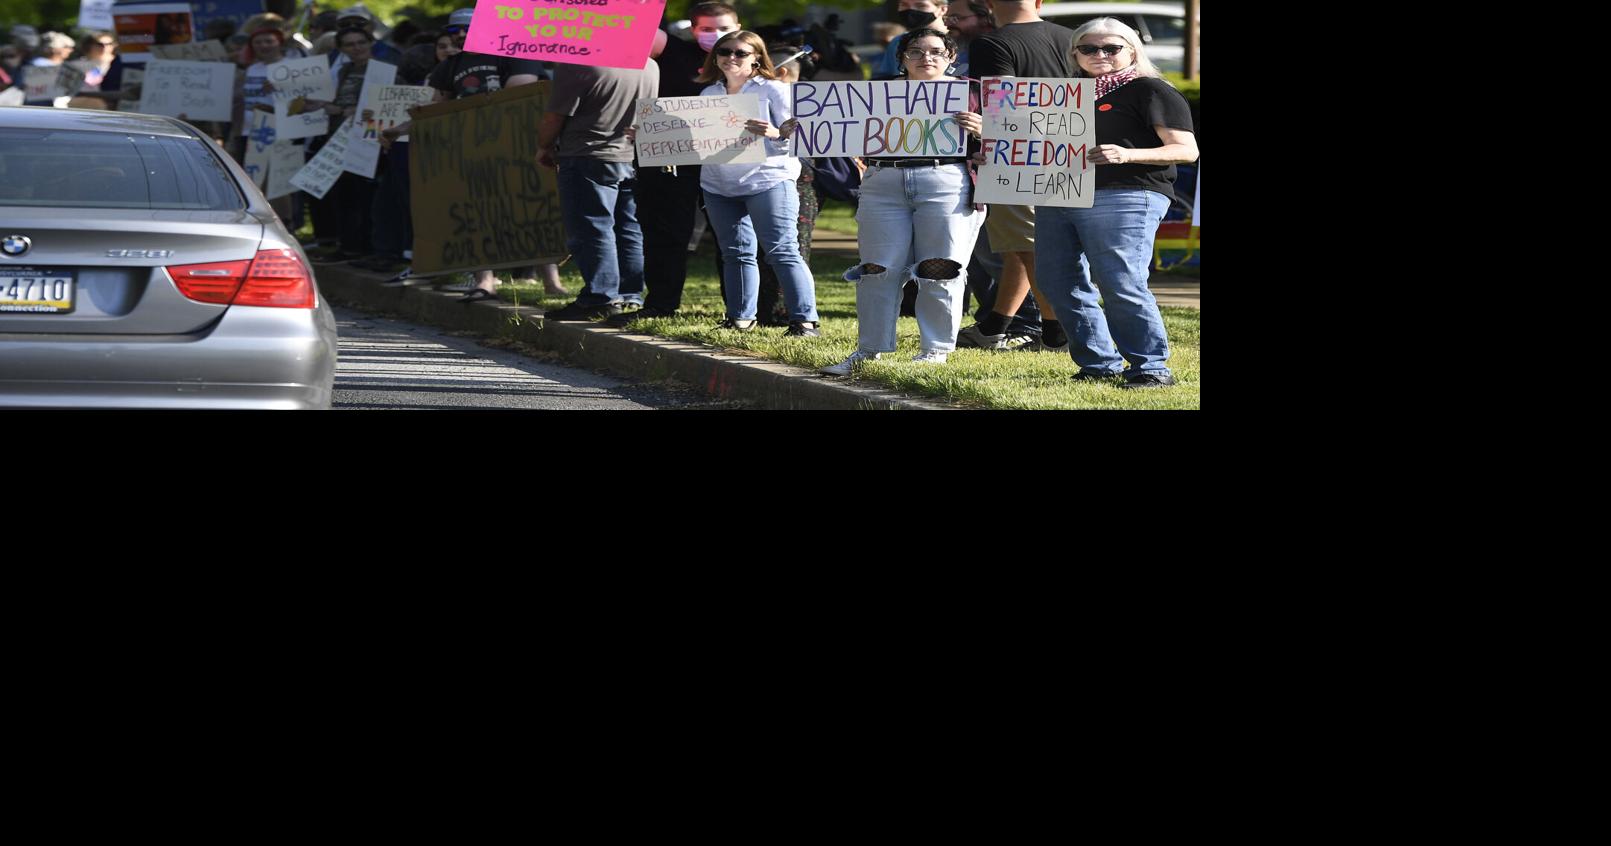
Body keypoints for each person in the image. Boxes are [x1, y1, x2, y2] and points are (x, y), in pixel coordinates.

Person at [1033, 18, 1197, 388]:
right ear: (1074, 54)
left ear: (1133, 50)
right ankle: (1098, 363)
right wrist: (997, 155)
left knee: (1119, 280)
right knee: (1056, 280)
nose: (1100, 55)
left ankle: (1150, 367)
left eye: (1111, 48)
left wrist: (1127, 154)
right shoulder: (1060, 94)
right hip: (1059, 193)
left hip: (1127, 192)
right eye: (1088, 48)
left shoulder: (1150, 90)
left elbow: (1186, 150)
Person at [819, 29, 984, 376]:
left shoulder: (973, 92)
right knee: (876, 269)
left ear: (951, 57)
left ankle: (935, 351)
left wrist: (984, 130)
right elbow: (836, 126)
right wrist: (804, 127)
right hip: (883, 182)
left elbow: (1016, 139)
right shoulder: (878, 95)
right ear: (902, 57)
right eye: (916, 51)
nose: (927, 58)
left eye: (937, 52)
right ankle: (869, 350)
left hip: (946, 181)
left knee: (940, 268)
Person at [605, 2, 744, 327]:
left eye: (723, 27)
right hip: (669, 161)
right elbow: (628, 27)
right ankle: (660, 303)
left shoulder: (746, 57)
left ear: (738, 24)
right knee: (665, 234)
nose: (715, 35)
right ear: (692, 29)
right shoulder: (674, 51)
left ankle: (742, 311)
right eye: (706, 29)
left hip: (726, 164)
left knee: (734, 237)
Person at [956, 0, 1077, 353]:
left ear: (990, 4)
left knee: (1027, 247)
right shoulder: (1070, 37)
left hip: (1016, 156)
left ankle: (1056, 331)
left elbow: (1004, 102)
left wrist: (987, 135)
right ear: (1040, 2)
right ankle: (996, 324)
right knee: (1017, 248)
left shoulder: (991, 43)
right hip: (1067, 151)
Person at [691, 32, 819, 335]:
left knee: (782, 250)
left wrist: (775, 134)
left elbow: (802, 135)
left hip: (768, 179)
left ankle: (805, 320)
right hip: (718, 183)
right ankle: (741, 318)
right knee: (735, 252)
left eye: (740, 53)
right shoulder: (708, 94)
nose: (731, 57)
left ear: (757, 58)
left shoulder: (773, 90)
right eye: (724, 51)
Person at [421, 8, 544, 301]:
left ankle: (549, 280)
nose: (460, 35)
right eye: (453, 31)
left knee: (533, 208)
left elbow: (522, 87)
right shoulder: (451, 65)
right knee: (478, 212)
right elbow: (438, 104)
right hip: (470, 152)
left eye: (467, 28)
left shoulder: (515, 52)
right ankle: (485, 280)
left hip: (514, 146)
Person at [536, 57, 659, 319]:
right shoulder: (648, 64)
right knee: (628, 228)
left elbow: (554, 116)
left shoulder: (579, 65)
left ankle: (599, 297)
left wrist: (544, 145)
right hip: (630, 156)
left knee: (592, 227)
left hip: (587, 155)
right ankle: (630, 295)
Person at [753, 41, 821, 327]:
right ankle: (759, 308)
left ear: (780, 72)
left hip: (796, 184)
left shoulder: (806, 103)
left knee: (789, 248)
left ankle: (784, 312)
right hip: (756, 183)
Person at [306, 26, 381, 264]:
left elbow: (381, 105)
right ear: (341, 49)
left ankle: (366, 248)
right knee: (344, 197)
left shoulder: (383, 70)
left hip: (368, 143)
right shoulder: (344, 71)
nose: (357, 48)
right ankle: (347, 247)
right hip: (338, 141)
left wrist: (345, 110)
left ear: (371, 43)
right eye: (350, 44)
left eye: (361, 42)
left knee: (364, 198)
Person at [872, 1, 949, 80]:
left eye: (921, 5)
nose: (911, 10)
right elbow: (883, 80)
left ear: (942, 9)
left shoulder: (958, 40)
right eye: (904, 5)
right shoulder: (898, 42)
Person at [944, 1, 995, 77]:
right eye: (946, 19)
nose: (947, 24)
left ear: (984, 18)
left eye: (956, 18)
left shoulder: (998, 52)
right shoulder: (951, 53)